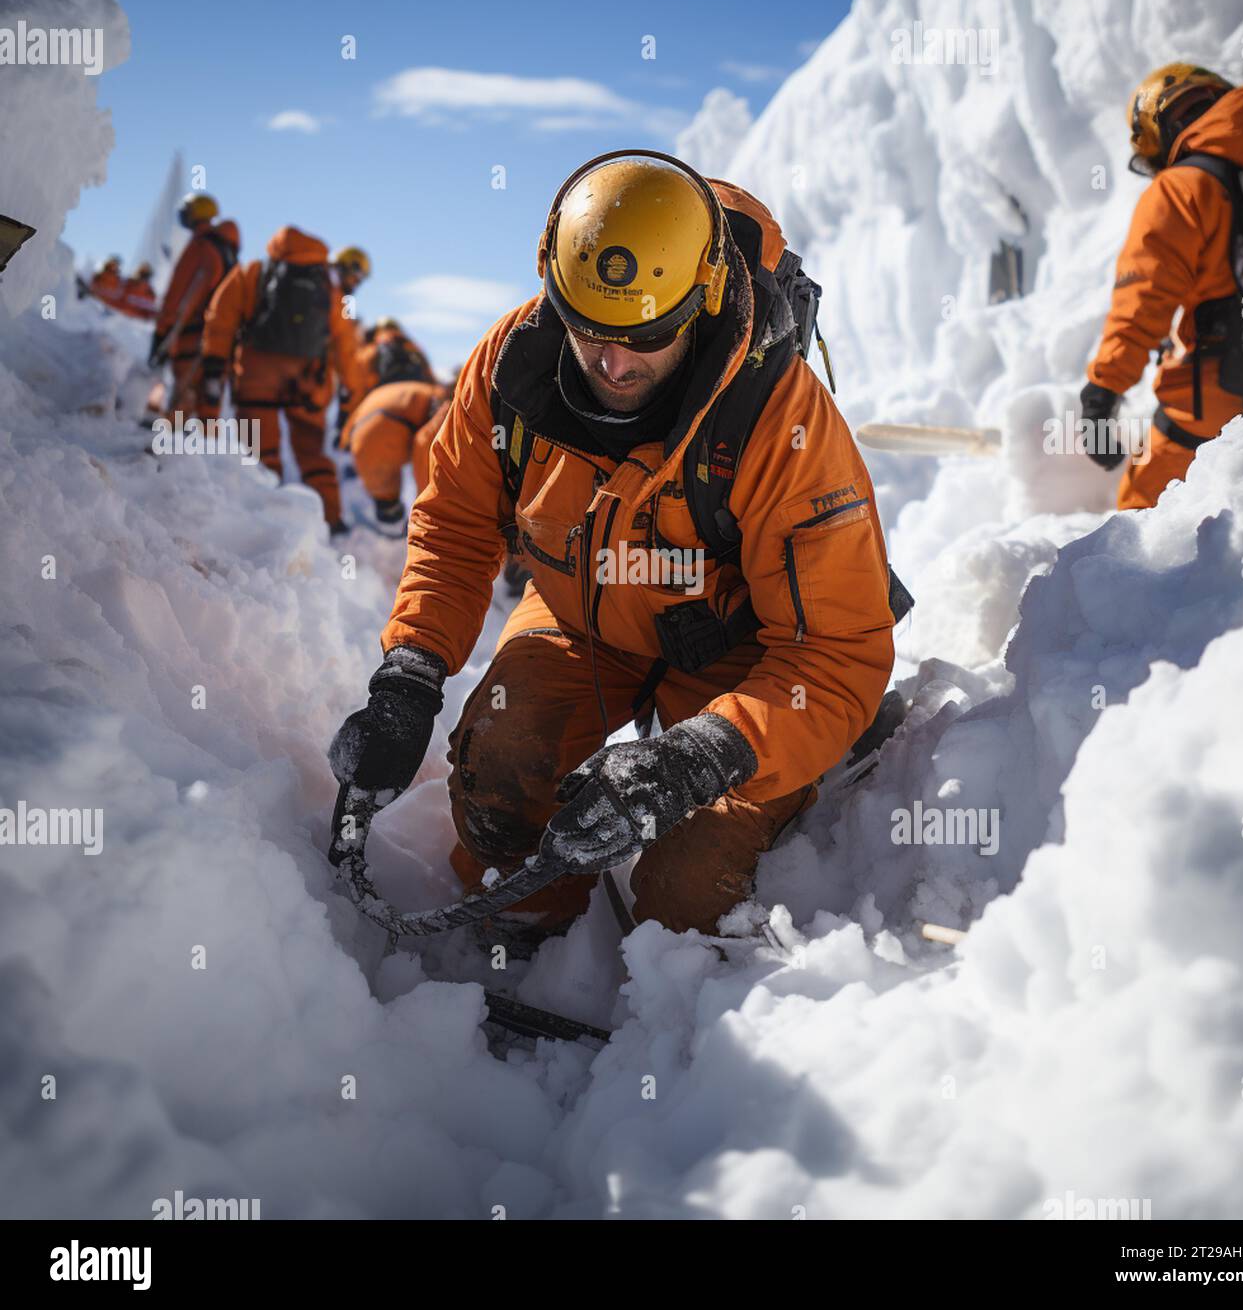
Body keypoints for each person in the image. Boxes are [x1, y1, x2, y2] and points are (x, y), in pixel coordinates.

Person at [329, 150, 900, 937]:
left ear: (698, 304)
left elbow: (836, 651)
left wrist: (703, 754)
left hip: (747, 659)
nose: (613, 363)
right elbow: (457, 527)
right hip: (579, 613)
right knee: (499, 777)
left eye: (647, 336)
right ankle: (534, 937)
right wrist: (409, 677)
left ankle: (809, 770)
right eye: (588, 331)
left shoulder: (783, 423)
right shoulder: (510, 368)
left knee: (687, 894)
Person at [1082, 66, 1243, 508]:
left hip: (1211, 406)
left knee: (1136, 537)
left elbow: (1143, 299)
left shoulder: (1182, 188)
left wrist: (1103, 391)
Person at [201, 226, 363, 534]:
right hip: (307, 385)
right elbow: (346, 348)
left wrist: (213, 366)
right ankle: (331, 521)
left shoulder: (253, 272)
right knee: (312, 455)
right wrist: (350, 395)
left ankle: (264, 519)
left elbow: (220, 319)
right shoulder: (329, 288)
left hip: (255, 378)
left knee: (261, 452)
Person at [147, 193, 240, 421]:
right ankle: (204, 453)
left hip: (193, 336)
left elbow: (179, 295)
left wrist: (162, 333)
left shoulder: (200, 247)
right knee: (208, 404)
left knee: (183, 398)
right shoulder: (228, 251)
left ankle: (168, 449)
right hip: (222, 341)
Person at [339, 377, 452, 533]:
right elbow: (425, 454)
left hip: (361, 426)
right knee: (391, 513)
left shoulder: (433, 392)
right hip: (377, 441)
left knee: (386, 502)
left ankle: (383, 512)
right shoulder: (448, 410)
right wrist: (425, 510)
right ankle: (391, 525)